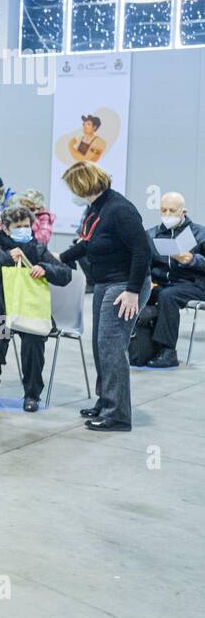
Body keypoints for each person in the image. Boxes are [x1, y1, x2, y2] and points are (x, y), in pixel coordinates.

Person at [57, 162, 151, 432]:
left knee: (112, 347)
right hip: (105, 283)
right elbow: (87, 243)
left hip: (123, 286)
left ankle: (117, 415)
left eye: (72, 187)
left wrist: (132, 291)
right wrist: (61, 258)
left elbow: (141, 251)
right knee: (101, 347)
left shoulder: (119, 210)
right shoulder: (97, 207)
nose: (71, 193)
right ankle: (106, 400)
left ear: (83, 185)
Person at [0, 205, 73, 412]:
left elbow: (65, 274)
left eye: (26, 226)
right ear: (7, 229)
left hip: (30, 312)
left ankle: (32, 394)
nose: (24, 230)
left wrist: (45, 269)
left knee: (34, 344)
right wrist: (7, 258)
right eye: (18, 226)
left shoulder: (37, 248)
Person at [142, 192, 205, 368]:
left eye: (172, 210)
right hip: (164, 284)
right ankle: (138, 344)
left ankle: (168, 351)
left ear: (183, 211)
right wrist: (148, 279)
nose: (167, 214)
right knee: (142, 292)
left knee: (168, 296)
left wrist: (192, 260)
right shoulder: (153, 234)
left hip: (194, 284)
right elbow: (145, 263)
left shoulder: (200, 233)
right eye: (163, 210)